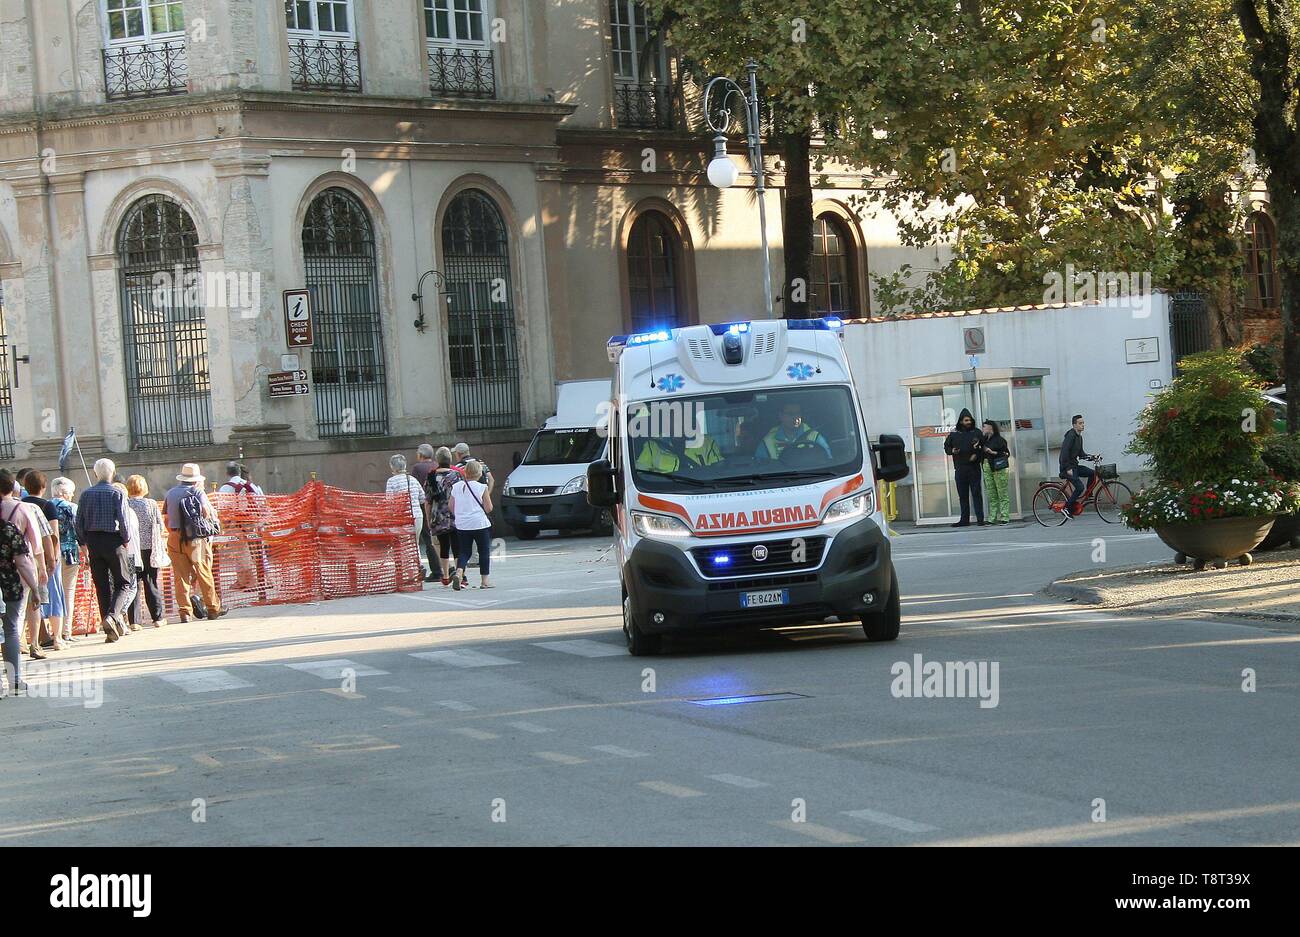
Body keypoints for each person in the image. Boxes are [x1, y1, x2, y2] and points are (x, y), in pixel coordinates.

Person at [75, 458, 133, 642]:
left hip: (93, 541)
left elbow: (79, 522)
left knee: (101, 586)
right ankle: (113, 616)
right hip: (113, 540)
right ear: (113, 473)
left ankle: (110, 628)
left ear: (95, 474)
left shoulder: (85, 494)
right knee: (123, 582)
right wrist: (126, 539)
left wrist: (83, 541)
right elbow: (124, 520)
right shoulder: (117, 493)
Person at [163, 463, 226, 623]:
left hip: (175, 536)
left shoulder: (170, 493)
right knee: (203, 572)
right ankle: (213, 608)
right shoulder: (198, 491)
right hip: (195, 538)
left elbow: (167, 519)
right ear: (196, 479)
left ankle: (185, 612)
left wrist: (173, 532)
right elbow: (205, 512)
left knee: (180, 576)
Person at [0, 469, 40, 698]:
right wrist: (35, 588)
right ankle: (15, 680)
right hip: (10, 582)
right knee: (12, 628)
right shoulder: (10, 528)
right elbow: (24, 560)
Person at [23, 471, 66, 651]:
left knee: (29, 601)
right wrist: (53, 558)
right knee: (55, 597)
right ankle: (57, 638)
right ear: (44, 487)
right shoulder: (48, 506)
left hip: (24, 557)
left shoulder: (21, 504)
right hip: (43, 556)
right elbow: (53, 535)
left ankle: (26, 640)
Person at [126, 475, 167, 627]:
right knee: (151, 582)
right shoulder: (151, 504)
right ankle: (157, 618)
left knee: (132, 584)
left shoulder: (125, 504)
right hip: (150, 550)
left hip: (131, 550)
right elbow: (160, 527)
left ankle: (134, 621)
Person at [450, 460, 494, 590]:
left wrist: (461, 514)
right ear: (479, 473)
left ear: (465, 472)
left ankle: (459, 572)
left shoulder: (456, 486)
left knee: (464, 551)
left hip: (462, 524)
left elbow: (450, 506)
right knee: (484, 551)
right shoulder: (482, 487)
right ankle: (484, 581)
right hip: (479, 524)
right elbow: (489, 508)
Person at [49, 477, 82, 644]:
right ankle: (65, 631)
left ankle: (52, 631)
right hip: (69, 553)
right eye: (71, 492)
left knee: (53, 593)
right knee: (68, 592)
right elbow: (79, 531)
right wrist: (86, 551)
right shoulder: (72, 508)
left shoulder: (46, 506)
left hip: (50, 554)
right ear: (63, 492)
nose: (72, 494)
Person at [386, 454, 428, 579]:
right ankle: (419, 566)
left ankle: (411, 573)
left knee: (405, 545)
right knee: (414, 544)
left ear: (392, 467)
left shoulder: (391, 481)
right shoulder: (413, 480)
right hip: (417, 516)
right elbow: (422, 498)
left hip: (402, 517)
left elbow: (389, 501)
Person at [944, 408, 985, 527]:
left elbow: (983, 448)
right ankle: (964, 520)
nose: (969, 422)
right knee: (963, 495)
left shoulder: (976, 432)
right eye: (966, 420)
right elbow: (946, 447)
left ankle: (980, 519)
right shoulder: (954, 433)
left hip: (973, 468)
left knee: (976, 493)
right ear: (961, 421)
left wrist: (976, 455)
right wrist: (952, 450)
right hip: (960, 468)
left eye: (970, 420)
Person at [425, 447, 459, 586]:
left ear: (437, 460)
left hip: (437, 516)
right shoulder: (456, 476)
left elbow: (427, 502)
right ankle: (459, 574)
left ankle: (445, 576)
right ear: (450, 460)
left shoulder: (431, 477)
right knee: (457, 546)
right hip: (455, 515)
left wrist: (428, 519)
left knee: (443, 546)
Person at [113, 482, 143, 632]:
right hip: (130, 555)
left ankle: (119, 617)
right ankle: (120, 613)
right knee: (131, 586)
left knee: (119, 587)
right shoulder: (129, 512)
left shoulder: (114, 512)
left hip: (120, 554)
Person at [755, 402, 832, 461]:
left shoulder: (815, 437)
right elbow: (760, 467)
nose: (796, 418)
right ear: (780, 416)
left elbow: (828, 461)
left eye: (798, 413)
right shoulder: (768, 441)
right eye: (790, 414)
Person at [1059, 414, 1100, 518]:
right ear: (1074, 425)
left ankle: (1089, 495)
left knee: (1092, 473)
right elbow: (1064, 453)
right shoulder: (1070, 436)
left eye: (1083, 423)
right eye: (1080, 423)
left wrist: (1092, 457)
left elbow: (1081, 454)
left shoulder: (1079, 437)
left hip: (1075, 466)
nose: (1082, 425)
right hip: (1067, 467)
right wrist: (1067, 468)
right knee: (1080, 487)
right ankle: (1066, 508)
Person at [411, 444, 437, 575]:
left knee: (428, 538)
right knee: (438, 537)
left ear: (420, 455)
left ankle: (436, 570)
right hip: (439, 505)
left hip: (424, 505)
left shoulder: (417, 468)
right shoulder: (436, 465)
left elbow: (413, 487)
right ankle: (445, 568)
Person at [980, 420, 1011, 525]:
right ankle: (992, 518)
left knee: (1002, 493)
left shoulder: (999, 440)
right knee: (991, 493)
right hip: (986, 466)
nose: (983, 428)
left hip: (998, 468)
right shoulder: (983, 440)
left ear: (990, 427)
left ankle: (1005, 517)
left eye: (984, 426)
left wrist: (993, 452)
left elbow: (1006, 453)